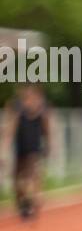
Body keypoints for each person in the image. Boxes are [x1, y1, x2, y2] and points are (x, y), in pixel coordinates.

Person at [2, 84, 51, 221]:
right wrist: (4, 150)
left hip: (34, 149)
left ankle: (32, 199)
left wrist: (49, 145)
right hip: (20, 148)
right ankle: (24, 202)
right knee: (17, 180)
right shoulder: (17, 109)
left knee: (32, 175)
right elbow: (10, 131)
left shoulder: (42, 109)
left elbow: (47, 129)